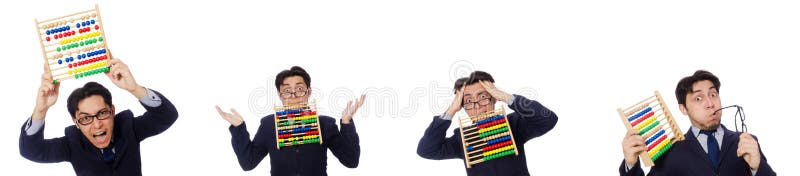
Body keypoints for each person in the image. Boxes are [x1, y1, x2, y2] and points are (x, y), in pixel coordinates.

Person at [19, 55, 179, 176]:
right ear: (76, 122)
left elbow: (167, 115)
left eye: (102, 113)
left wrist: (134, 88)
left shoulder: (127, 127)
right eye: (86, 118)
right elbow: (31, 150)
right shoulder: (72, 143)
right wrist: (41, 110)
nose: (97, 125)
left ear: (112, 111)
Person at [619, 70, 776, 176]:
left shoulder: (747, 141)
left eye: (713, 94)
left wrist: (757, 167)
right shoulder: (668, 151)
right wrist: (631, 165)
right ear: (683, 109)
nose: (710, 103)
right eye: (698, 98)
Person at [215, 66, 364, 176]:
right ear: (280, 95)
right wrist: (239, 128)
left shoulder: (324, 124)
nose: (293, 96)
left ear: (309, 92)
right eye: (287, 91)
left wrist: (346, 123)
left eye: (299, 89)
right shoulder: (269, 125)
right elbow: (248, 163)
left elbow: (351, 161)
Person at [416, 71, 558, 176]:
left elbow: (548, 119)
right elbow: (426, 150)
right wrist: (451, 109)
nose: (477, 106)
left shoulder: (513, 125)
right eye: (469, 101)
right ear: (461, 106)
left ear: (494, 98)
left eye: (483, 97)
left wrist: (506, 96)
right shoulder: (463, 138)